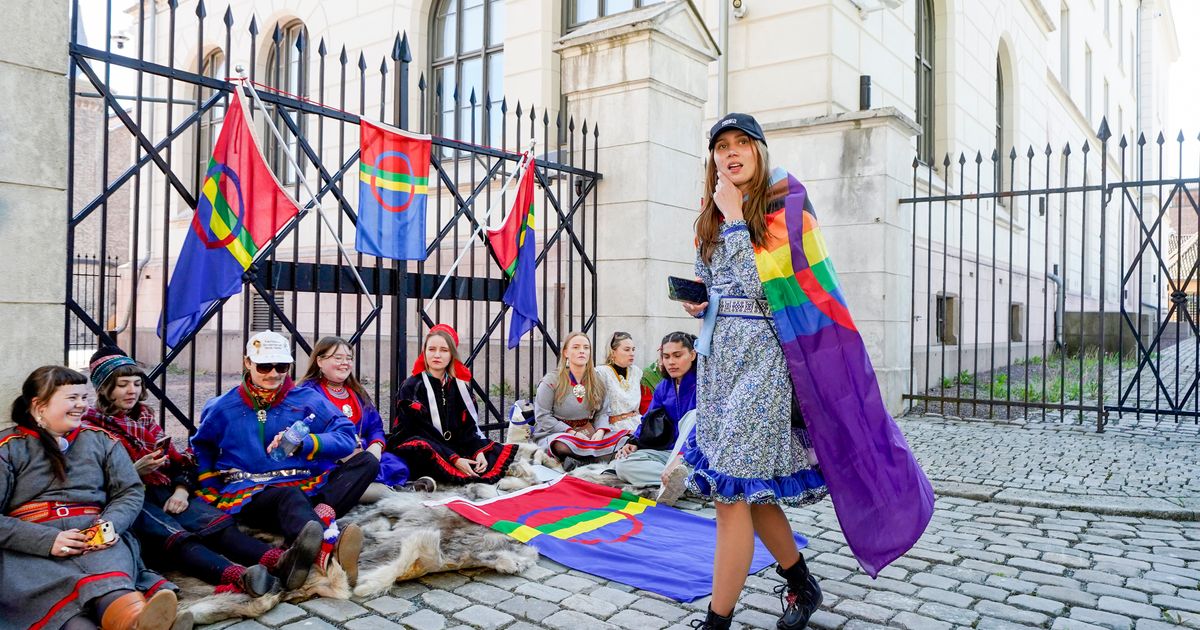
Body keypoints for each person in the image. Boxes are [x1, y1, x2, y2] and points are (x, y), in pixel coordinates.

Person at [681, 114, 828, 630]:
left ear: (761, 150)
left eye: (743, 142)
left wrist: (738, 219)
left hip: (765, 364)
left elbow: (773, 295)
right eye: (722, 146)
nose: (732, 152)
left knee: (729, 496)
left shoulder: (784, 206)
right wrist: (698, 301)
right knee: (750, 493)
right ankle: (802, 586)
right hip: (719, 362)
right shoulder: (711, 214)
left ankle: (716, 624)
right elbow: (713, 280)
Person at [83, 346, 299, 597]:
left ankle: (279, 561)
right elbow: (92, 484)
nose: (132, 391)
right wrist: (134, 471)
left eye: (136, 383)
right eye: (122, 385)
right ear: (105, 388)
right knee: (175, 536)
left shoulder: (145, 419)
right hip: (131, 500)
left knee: (213, 522)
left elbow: (180, 462)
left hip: (164, 489)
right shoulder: (91, 429)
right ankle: (237, 577)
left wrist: (182, 491)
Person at [0, 365, 186, 630]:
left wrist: (108, 526)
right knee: (65, 616)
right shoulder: (8, 448)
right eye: (72, 398)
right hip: (31, 552)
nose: (81, 406)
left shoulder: (102, 441)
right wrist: (47, 541)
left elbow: (129, 491)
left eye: (84, 398)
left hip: (95, 537)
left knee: (113, 590)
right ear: (39, 406)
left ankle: (135, 622)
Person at [192, 331, 379, 587]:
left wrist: (307, 443)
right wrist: (210, 487)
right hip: (253, 493)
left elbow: (346, 434)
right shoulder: (222, 407)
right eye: (264, 366)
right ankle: (327, 552)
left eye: (281, 366)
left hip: (306, 485)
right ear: (248, 363)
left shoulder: (306, 399)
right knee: (287, 495)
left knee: (367, 462)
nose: (273, 373)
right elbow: (202, 447)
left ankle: (315, 520)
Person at [297, 336, 435, 495]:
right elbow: (303, 433)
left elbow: (375, 427)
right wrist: (342, 452)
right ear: (320, 361)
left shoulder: (357, 393)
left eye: (349, 358)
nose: (345, 362)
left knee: (395, 463)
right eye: (338, 358)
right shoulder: (307, 393)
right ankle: (394, 492)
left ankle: (390, 489)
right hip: (329, 460)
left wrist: (375, 447)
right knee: (341, 475)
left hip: (364, 456)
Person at [387, 325, 517, 484]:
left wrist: (477, 452)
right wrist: (454, 458)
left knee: (489, 456)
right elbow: (420, 429)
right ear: (424, 352)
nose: (436, 355)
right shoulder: (412, 386)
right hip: (420, 440)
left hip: (449, 444)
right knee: (422, 450)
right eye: (431, 349)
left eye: (444, 350)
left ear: (452, 355)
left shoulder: (459, 387)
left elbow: (468, 427)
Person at [612, 332, 698, 505]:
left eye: (677, 355)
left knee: (693, 417)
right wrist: (634, 442)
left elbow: (701, 430)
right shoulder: (663, 387)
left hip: (696, 455)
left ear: (693, 355)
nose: (671, 362)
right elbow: (648, 420)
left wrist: (681, 456)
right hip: (667, 453)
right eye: (666, 357)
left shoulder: (705, 384)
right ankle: (684, 482)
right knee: (622, 465)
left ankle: (687, 479)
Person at [533, 331, 629, 470]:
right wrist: (572, 432)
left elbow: (602, 412)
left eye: (586, 347)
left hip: (587, 432)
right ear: (565, 352)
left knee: (625, 439)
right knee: (563, 445)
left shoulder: (597, 380)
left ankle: (582, 459)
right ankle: (597, 457)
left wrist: (600, 431)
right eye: (576, 347)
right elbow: (542, 416)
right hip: (557, 433)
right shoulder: (551, 381)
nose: (582, 351)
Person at [594, 332, 644, 433]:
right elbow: (597, 409)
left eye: (633, 349)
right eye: (627, 349)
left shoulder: (637, 372)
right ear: (613, 352)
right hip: (613, 427)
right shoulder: (601, 372)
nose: (632, 353)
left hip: (637, 423)